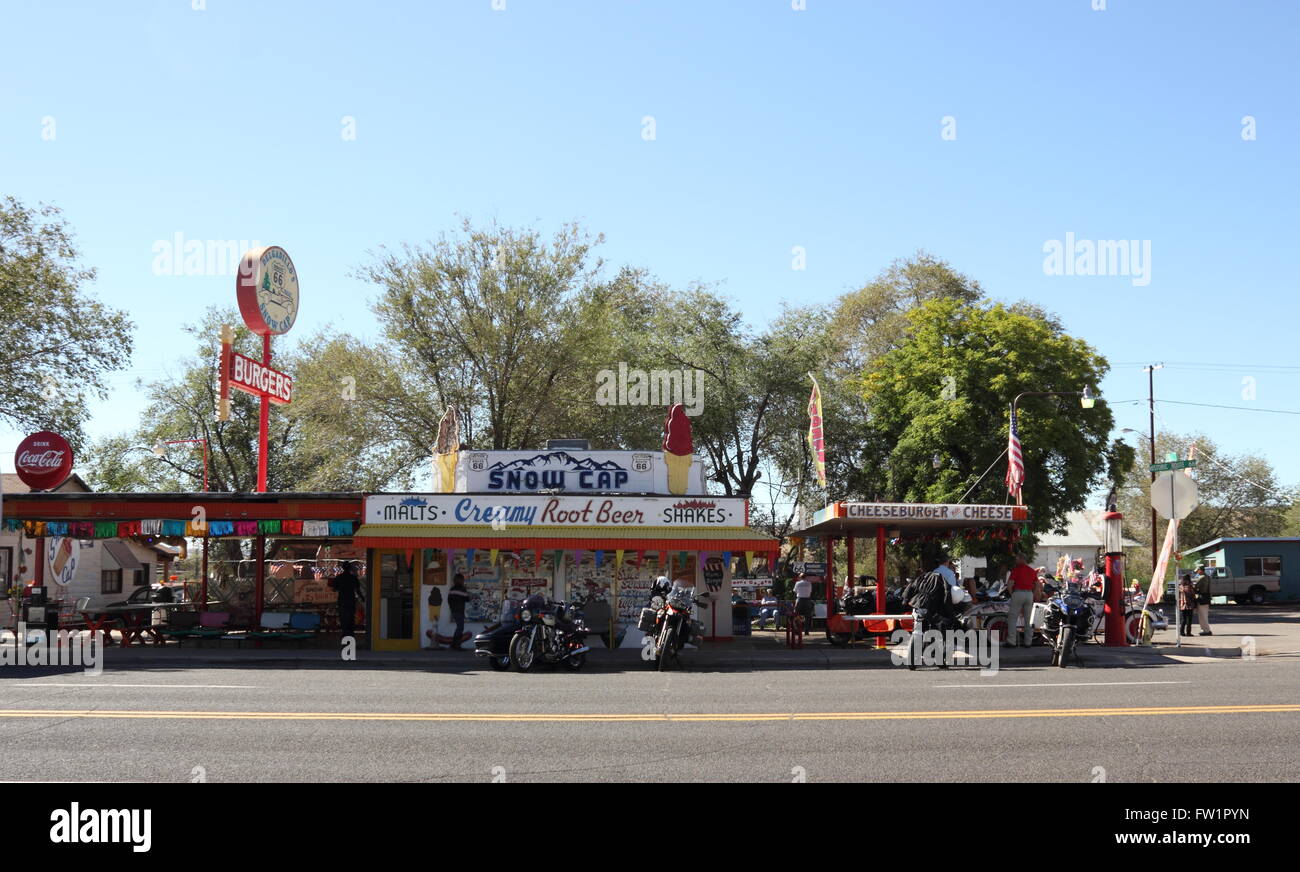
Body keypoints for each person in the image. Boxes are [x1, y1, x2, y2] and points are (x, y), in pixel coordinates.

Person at [1006, 553, 1039, 647]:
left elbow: (1010, 584)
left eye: (1017, 559)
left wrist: (1013, 594)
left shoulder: (1016, 570)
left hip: (1018, 593)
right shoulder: (1032, 571)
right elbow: (1037, 584)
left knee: (1012, 618)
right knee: (1029, 619)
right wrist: (1033, 593)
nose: (1016, 561)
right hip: (1029, 594)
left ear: (1021, 559)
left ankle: (1012, 641)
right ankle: (1028, 642)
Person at [332, 561, 364, 640]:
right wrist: (362, 598)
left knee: (343, 618)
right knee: (351, 618)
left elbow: (334, 589)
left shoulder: (339, 577)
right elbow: (357, 590)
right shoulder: (353, 578)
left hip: (342, 600)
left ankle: (344, 634)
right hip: (351, 599)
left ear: (342, 568)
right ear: (350, 568)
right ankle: (351, 635)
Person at [447, 573, 469, 649]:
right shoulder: (462, 589)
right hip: (459, 610)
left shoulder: (452, 589)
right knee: (460, 627)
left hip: (454, 611)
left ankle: (455, 644)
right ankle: (455, 644)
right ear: (461, 580)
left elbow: (449, 600)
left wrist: (451, 608)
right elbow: (467, 599)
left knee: (459, 627)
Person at [1194, 565, 1212, 635]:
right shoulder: (1208, 577)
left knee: (1202, 616)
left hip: (1202, 597)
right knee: (1204, 615)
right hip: (1207, 597)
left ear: (1200, 570)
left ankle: (1206, 630)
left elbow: (1195, 587)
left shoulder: (1202, 577)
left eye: (1197, 570)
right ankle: (1205, 629)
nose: (1197, 572)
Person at [1177, 572, 1197, 637]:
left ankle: (1181, 632)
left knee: (1184, 619)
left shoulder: (1180, 586)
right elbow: (1193, 595)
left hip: (1182, 605)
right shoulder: (1189, 587)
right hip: (1189, 605)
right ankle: (1188, 632)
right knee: (1189, 619)